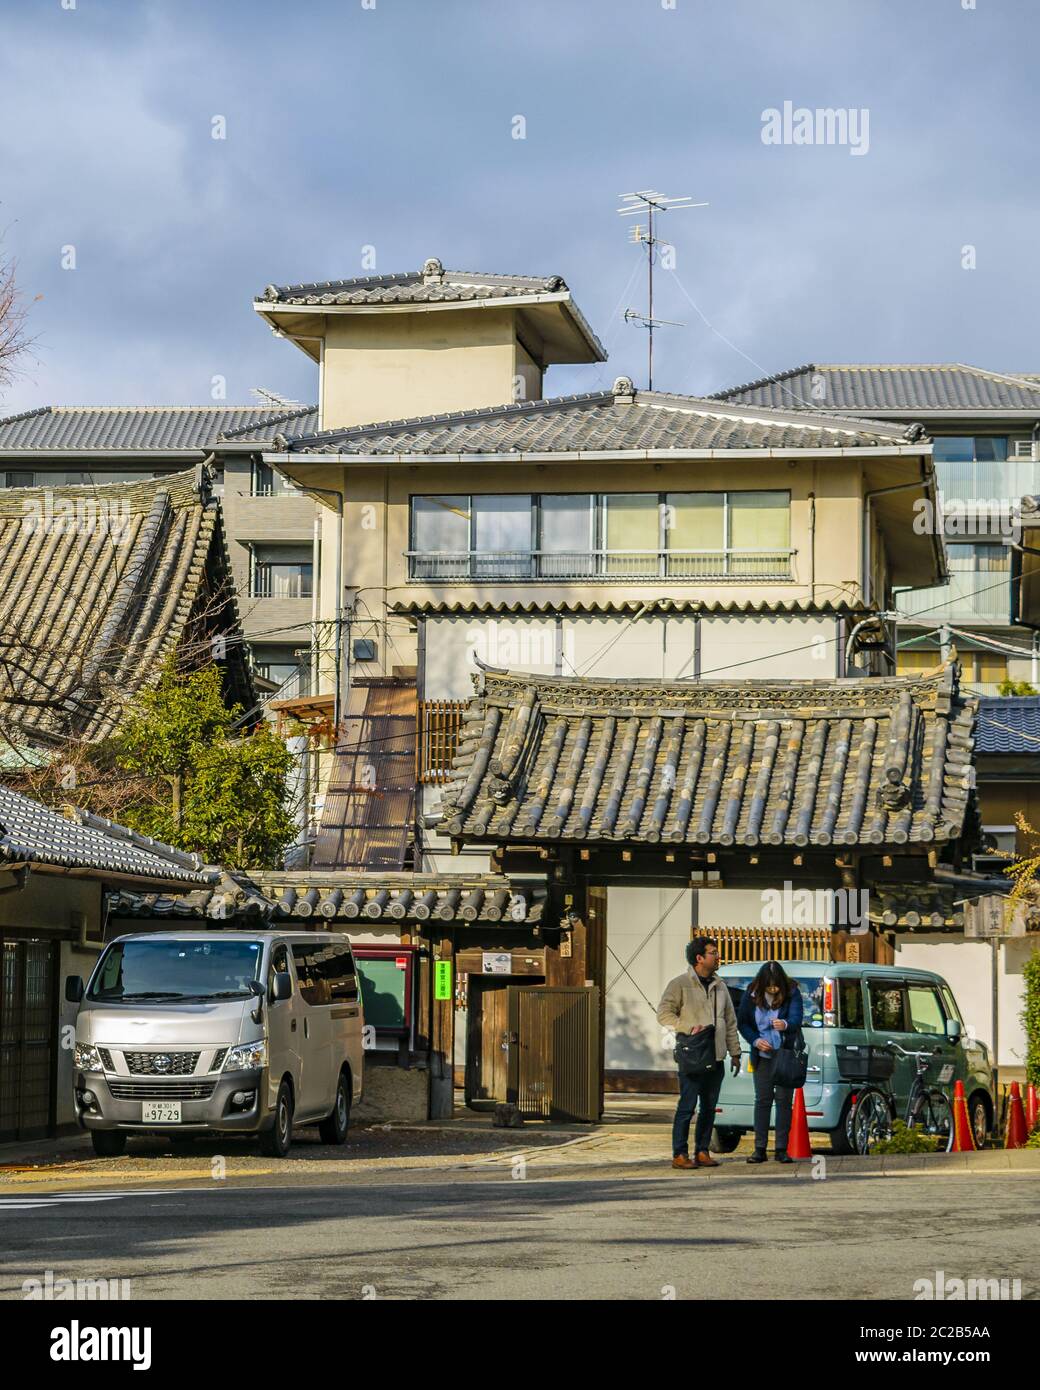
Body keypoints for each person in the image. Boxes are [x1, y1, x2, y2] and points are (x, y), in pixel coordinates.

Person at [657, 935, 741, 1170]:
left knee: (709, 1107)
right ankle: (679, 1154)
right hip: (693, 1053)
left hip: (716, 1054)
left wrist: (735, 1052)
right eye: (713, 952)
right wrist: (686, 1027)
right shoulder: (680, 984)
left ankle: (702, 1151)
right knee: (687, 1106)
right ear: (699, 958)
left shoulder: (720, 986)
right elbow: (664, 1013)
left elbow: (730, 1021)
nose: (718, 956)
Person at [737, 961, 804, 1164]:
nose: (773, 990)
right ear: (762, 983)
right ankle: (760, 1149)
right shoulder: (751, 993)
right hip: (762, 1056)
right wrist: (755, 1041)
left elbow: (797, 1018)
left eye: (776, 986)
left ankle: (781, 1149)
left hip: (784, 1055)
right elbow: (743, 1023)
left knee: (784, 1101)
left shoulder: (792, 991)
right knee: (763, 1100)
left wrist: (785, 1024)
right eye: (769, 986)